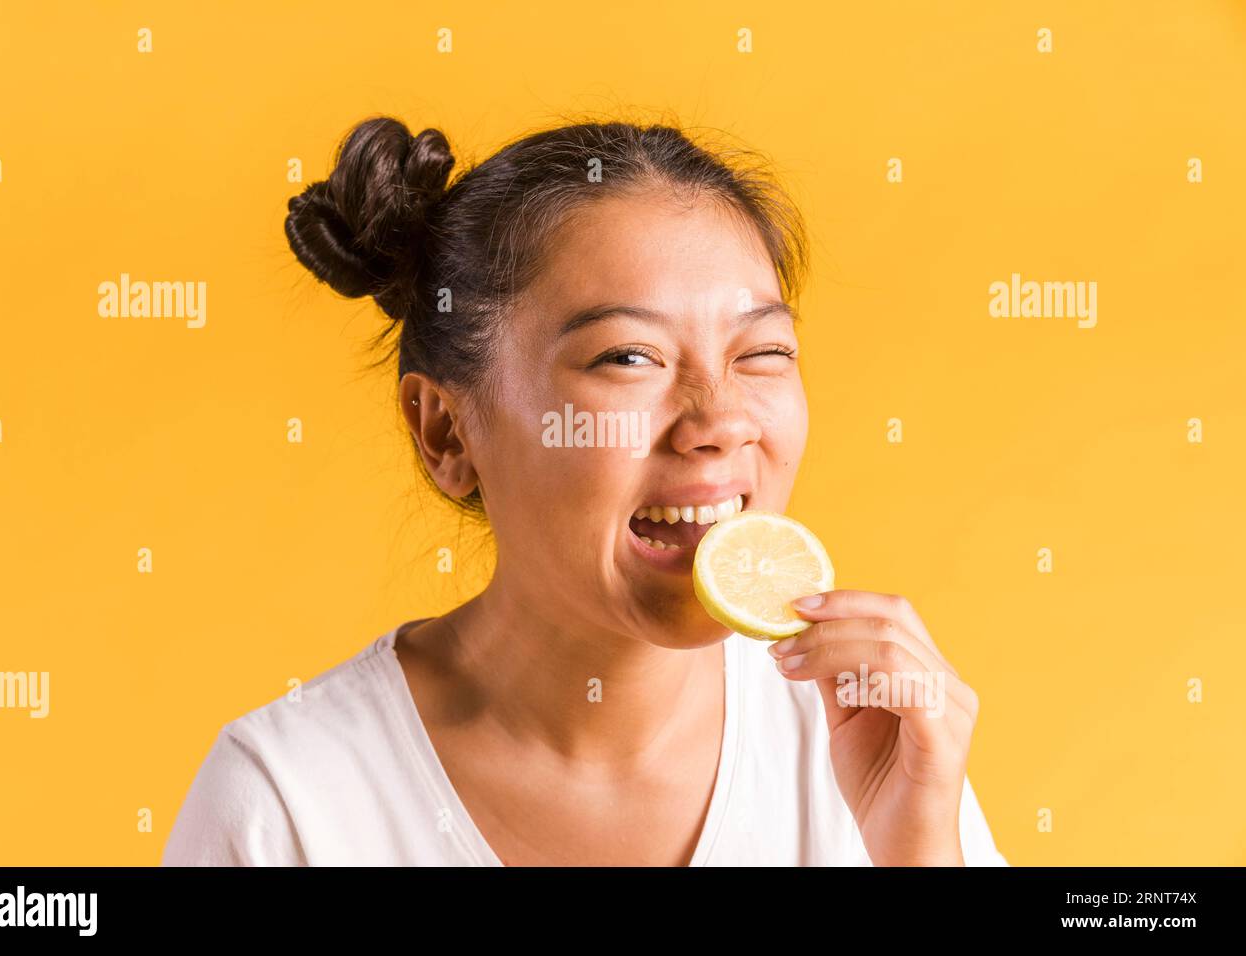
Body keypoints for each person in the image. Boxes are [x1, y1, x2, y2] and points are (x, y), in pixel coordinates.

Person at [162, 115, 1009, 866]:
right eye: (627, 358)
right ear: (447, 433)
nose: (718, 419)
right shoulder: (290, 804)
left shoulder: (868, 754)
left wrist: (919, 852)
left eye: (762, 355)